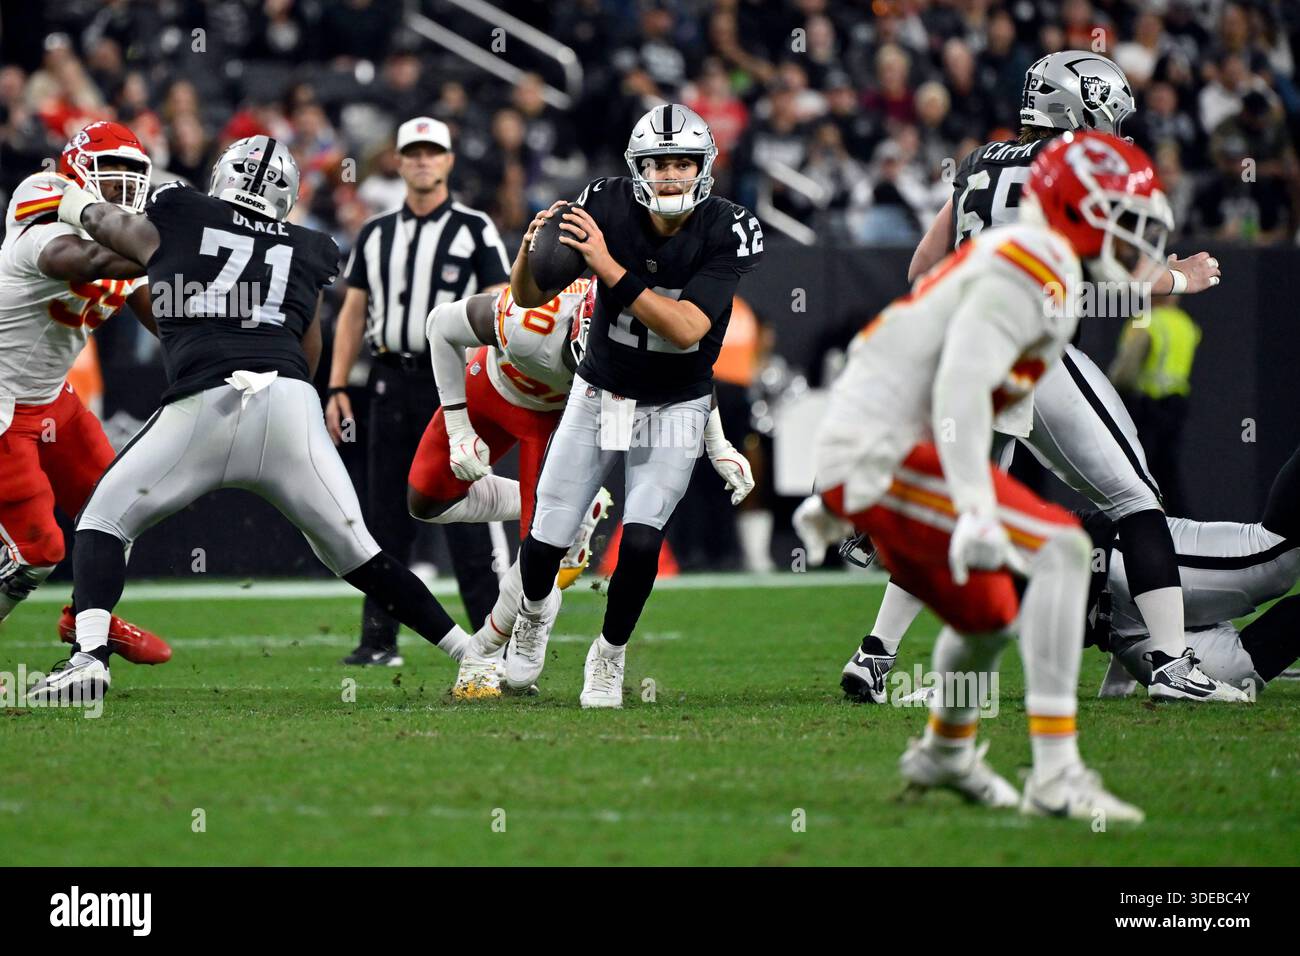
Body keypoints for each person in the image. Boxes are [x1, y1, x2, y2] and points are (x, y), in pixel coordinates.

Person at [832, 51, 1239, 705]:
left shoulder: (978, 163)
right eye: (1109, 115)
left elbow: (920, 269)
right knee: (1136, 500)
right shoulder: (1074, 170)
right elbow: (1116, 275)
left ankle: (874, 656)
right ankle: (1170, 663)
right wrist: (1178, 277)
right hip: (1029, 353)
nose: (1115, 133)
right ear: (1079, 108)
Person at [798, 132, 1165, 821]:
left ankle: (946, 751)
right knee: (1062, 551)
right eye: (1119, 210)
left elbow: (921, 350)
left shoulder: (1038, 265)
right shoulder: (1032, 268)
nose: (1135, 230)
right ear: (1076, 208)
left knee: (989, 613)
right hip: (886, 449)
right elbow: (959, 392)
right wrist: (968, 505)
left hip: (880, 441)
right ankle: (1057, 773)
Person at [29, 136, 474, 702]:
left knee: (104, 521)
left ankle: (89, 657)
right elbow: (309, 344)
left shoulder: (181, 207)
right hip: (289, 400)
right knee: (359, 552)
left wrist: (66, 199)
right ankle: (471, 653)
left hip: (206, 400)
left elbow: (118, 231)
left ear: (223, 177)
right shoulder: (311, 245)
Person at [505, 104, 760, 707]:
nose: (670, 176)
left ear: (703, 166)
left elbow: (685, 329)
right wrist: (527, 255)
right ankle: (535, 616)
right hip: (602, 392)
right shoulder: (604, 202)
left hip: (675, 402)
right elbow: (527, 294)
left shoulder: (729, 228)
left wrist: (607, 265)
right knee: (544, 543)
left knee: (642, 542)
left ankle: (609, 655)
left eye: (682, 163)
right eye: (658, 163)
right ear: (637, 167)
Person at [325, 116, 506, 667]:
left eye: (433, 153)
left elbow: (500, 300)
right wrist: (336, 384)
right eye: (414, 153)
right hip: (386, 379)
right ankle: (379, 641)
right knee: (383, 518)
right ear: (398, 161)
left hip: (450, 381)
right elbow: (354, 311)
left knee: (469, 516)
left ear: (449, 161)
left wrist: (488, 375)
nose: (423, 161)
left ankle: (494, 644)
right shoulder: (376, 232)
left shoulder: (475, 228)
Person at [0, 120, 170, 666]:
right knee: (37, 551)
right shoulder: (43, 207)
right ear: (76, 173)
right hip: (3, 400)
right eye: (110, 172)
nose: (121, 186)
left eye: (131, 174)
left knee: (117, 510)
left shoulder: (130, 242)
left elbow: (167, 323)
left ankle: (86, 617)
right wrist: (172, 246)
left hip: (52, 396)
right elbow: (83, 260)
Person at [1109, 295, 1201, 514]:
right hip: (1176, 406)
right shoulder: (1185, 324)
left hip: (1145, 408)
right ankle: (1182, 528)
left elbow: (1125, 371)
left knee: (1136, 473)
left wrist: (1111, 392)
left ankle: (1135, 527)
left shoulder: (1146, 321)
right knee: (1167, 473)